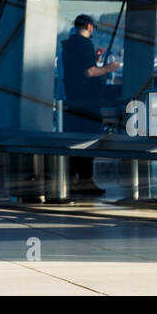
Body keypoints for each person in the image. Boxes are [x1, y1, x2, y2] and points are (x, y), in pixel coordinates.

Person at [60, 14, 119, 195]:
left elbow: (79, 68)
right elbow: (89, 72)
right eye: (93, 26)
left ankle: (72, 180)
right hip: (87, 100)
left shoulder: (68, 44)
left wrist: (95, 58)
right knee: (90, 139)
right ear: (88, 26)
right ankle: (86, 181)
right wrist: (110, 68)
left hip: (72, 99)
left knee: (74, 140)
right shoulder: (84, 43)